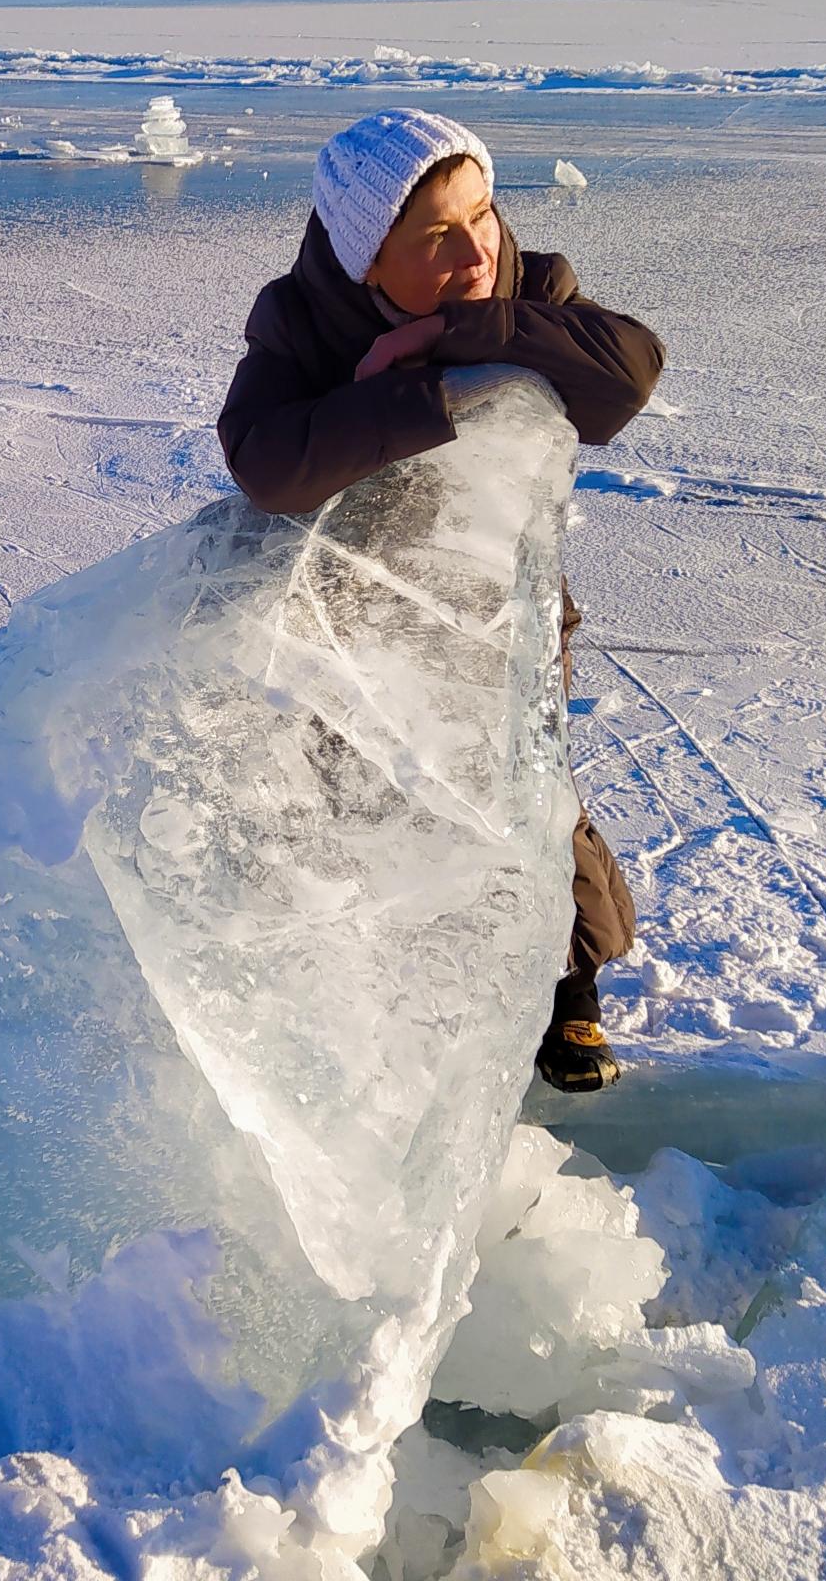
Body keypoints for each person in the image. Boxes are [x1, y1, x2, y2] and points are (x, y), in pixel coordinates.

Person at [216, 109, 665, 1092]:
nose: (476, 247)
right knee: (367, 808)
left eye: (483, 214)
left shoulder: (531, 287)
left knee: (527, 797)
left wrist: (453, 334)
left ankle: (567, 987)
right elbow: (265, 460)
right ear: (367, 259)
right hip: (354, 615)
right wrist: (403, 394)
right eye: (435, 236)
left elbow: (623, 376)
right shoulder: (297, 318)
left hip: (498, 607)